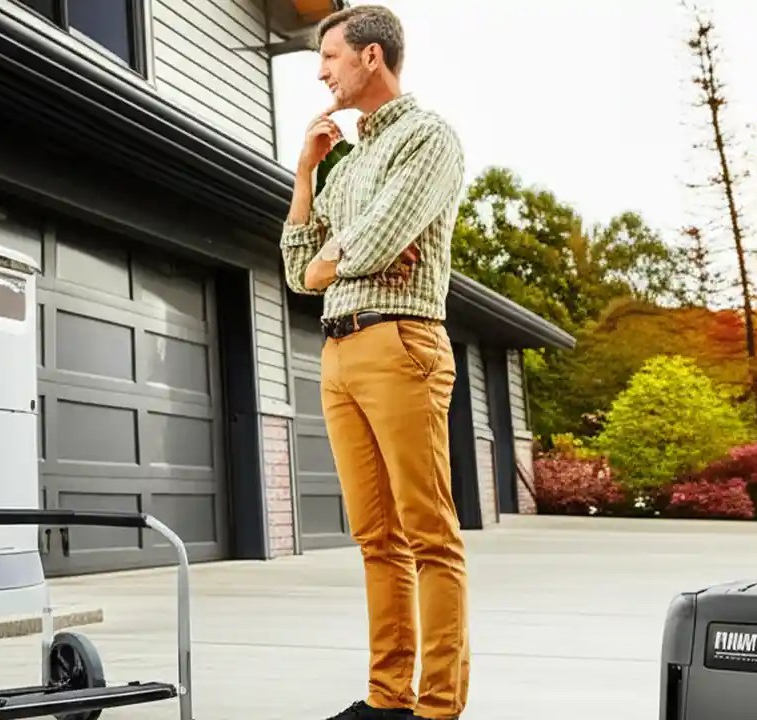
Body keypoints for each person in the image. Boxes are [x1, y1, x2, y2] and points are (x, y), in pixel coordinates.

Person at [279, 6, 470, 720]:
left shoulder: (429, 138)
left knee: (428, 534)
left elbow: (380, 240)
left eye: (329, 55)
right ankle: (388, 701)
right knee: (375, 539)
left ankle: (437, 708)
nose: (321, 70)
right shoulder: (346, 163)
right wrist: (305, 173)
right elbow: (302, 270)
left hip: (402, 346)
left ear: (371, 58)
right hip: (338, 352)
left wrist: (343, 258)